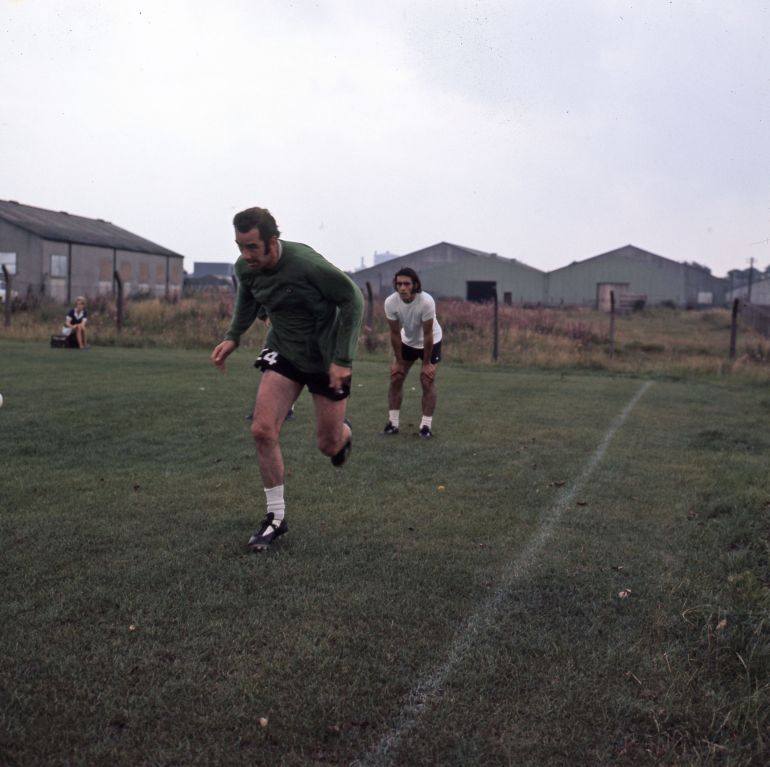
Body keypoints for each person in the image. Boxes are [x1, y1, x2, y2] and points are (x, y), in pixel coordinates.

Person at [211, 207, 363, 552]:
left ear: (273, 242)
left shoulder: (306, 264)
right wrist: (233, 335)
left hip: (326, 359)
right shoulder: (245, 269)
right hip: (284, 352)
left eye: (252, 247)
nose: (245, 256)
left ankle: (344, 433)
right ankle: (276, 519)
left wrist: (343, 359)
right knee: (262, 429)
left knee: (329, 445)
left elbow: (352, 298)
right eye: (239, 246)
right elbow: (248, 297)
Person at [383, 267, 443, 439]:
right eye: (399, 284)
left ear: (415, 284)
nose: (402, 288)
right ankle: (392, 424)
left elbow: (428, 334)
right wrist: (398, 362)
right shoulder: (390, 302)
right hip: (407, 341)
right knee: (396, 377)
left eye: (406, 284)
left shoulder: (426, 302)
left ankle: (425, 427)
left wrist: (427, 364)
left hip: (431, 341)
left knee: (426, 380)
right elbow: (394, 334)